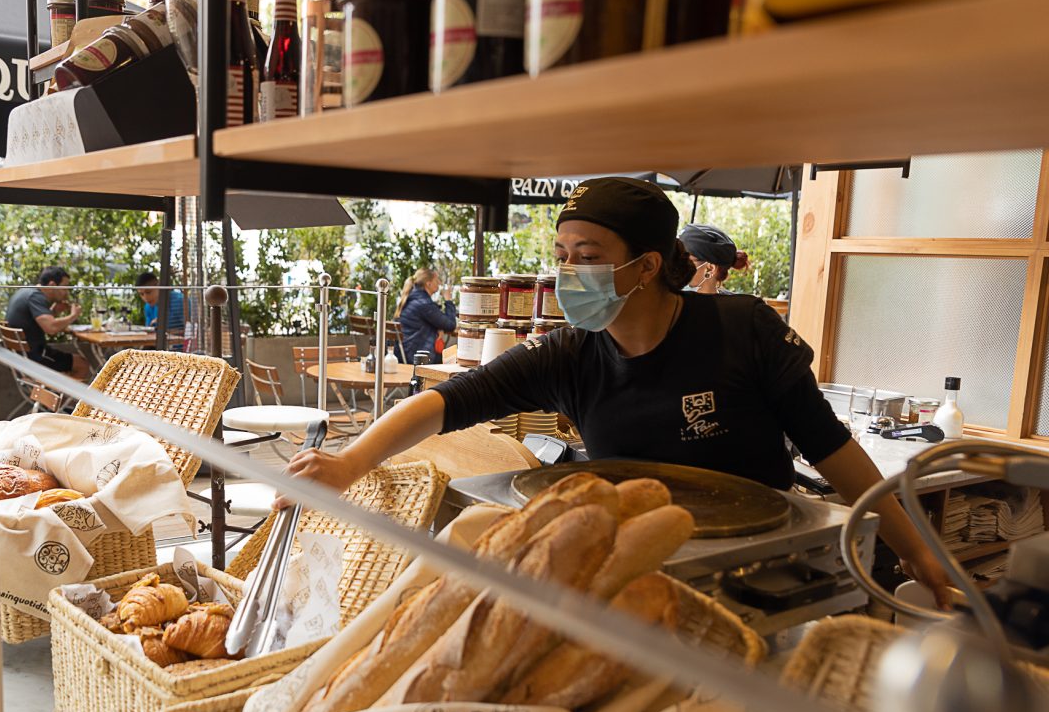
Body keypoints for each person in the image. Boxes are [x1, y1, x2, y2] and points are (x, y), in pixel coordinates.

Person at [279, 177, 952, 603]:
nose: (569, 272)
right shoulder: (568, 355)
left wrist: (920, 552)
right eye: (563, 256)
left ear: (648, 265)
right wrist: (347, 463)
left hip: (764, 565)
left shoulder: (741, 329)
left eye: (590, 257)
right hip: (637, 575)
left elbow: (833, 450)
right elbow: (446, 402)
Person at [6, 267, 88, 379]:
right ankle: (60, 396)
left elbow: (35, 322)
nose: (66, 293)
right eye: (64, 288)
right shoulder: (35, 297)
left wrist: (53, 311)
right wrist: (73, 316)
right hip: (35, 359)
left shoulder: (26, 292)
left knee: (70, 367)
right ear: (52, 285)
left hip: (20, 358)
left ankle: (60, 394)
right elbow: (51, 328)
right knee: (82, 365)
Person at [394, 268, 456, 363]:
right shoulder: (423, 303)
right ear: (428, 283)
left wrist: (436, 329)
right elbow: (450, 325)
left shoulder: (412, 299)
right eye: (436, 280)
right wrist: (448, 300)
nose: (439, 283)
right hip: (416, 356)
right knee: (451, 360)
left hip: (405, 352)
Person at [680, 223, 750, 295]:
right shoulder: (673, 298)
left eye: (684, 259)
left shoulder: (735, 305)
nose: (676, 263)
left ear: (710, 268)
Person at [137, 271, 186, 338]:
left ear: (158, 286)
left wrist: (163, 329)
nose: (145, 297)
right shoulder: (148, 307)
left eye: (148, 292)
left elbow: (194, 330)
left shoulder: (180, 301)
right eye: (141, 294)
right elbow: (149, 332)